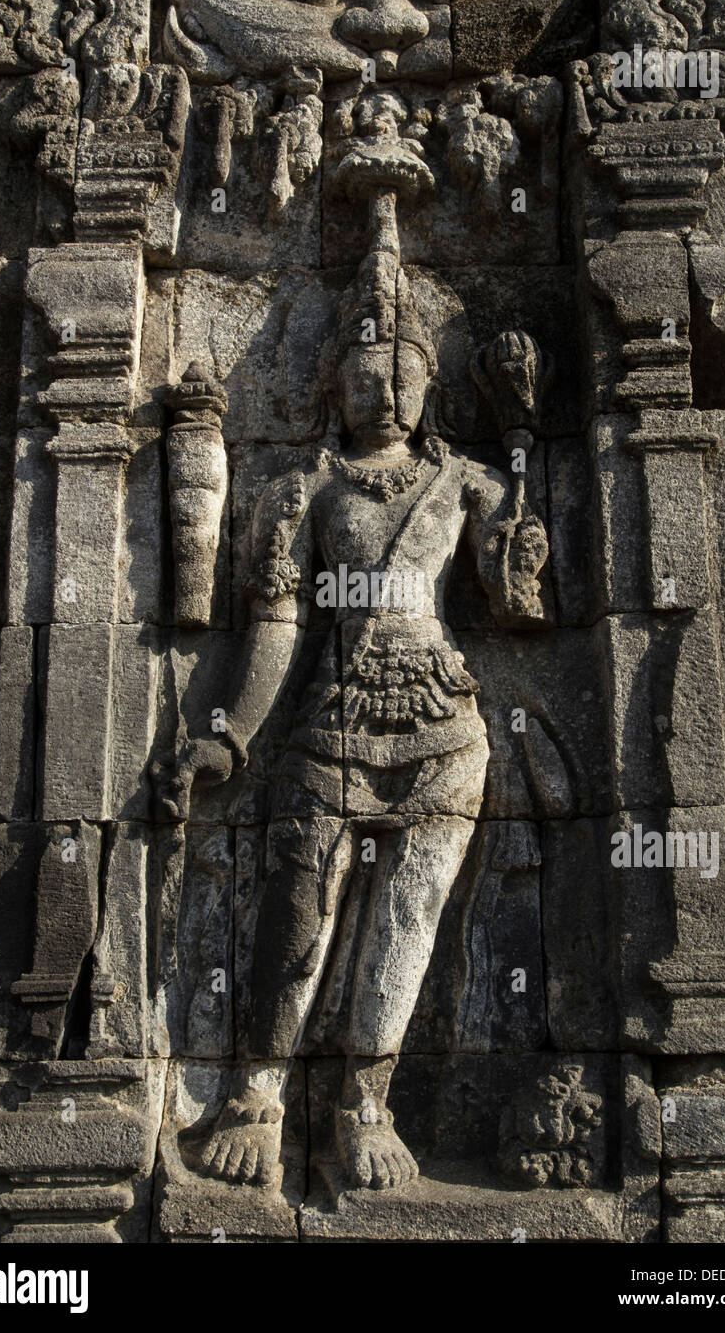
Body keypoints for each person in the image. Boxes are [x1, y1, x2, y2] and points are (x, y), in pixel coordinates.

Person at [159, 247, 551, 1191]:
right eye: (367, 371)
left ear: (431, 381)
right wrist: (234, 734)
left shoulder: (467, 483)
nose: (388, 389)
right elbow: (279, 627)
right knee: (301, 906)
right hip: (331, 726)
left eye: (407, 371)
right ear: (333, 382)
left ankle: (362, 1105)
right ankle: (258, 1090)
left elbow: (517, 605)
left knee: (407, 925)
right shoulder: (307, 490)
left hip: (446, 730)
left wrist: (524, 446)